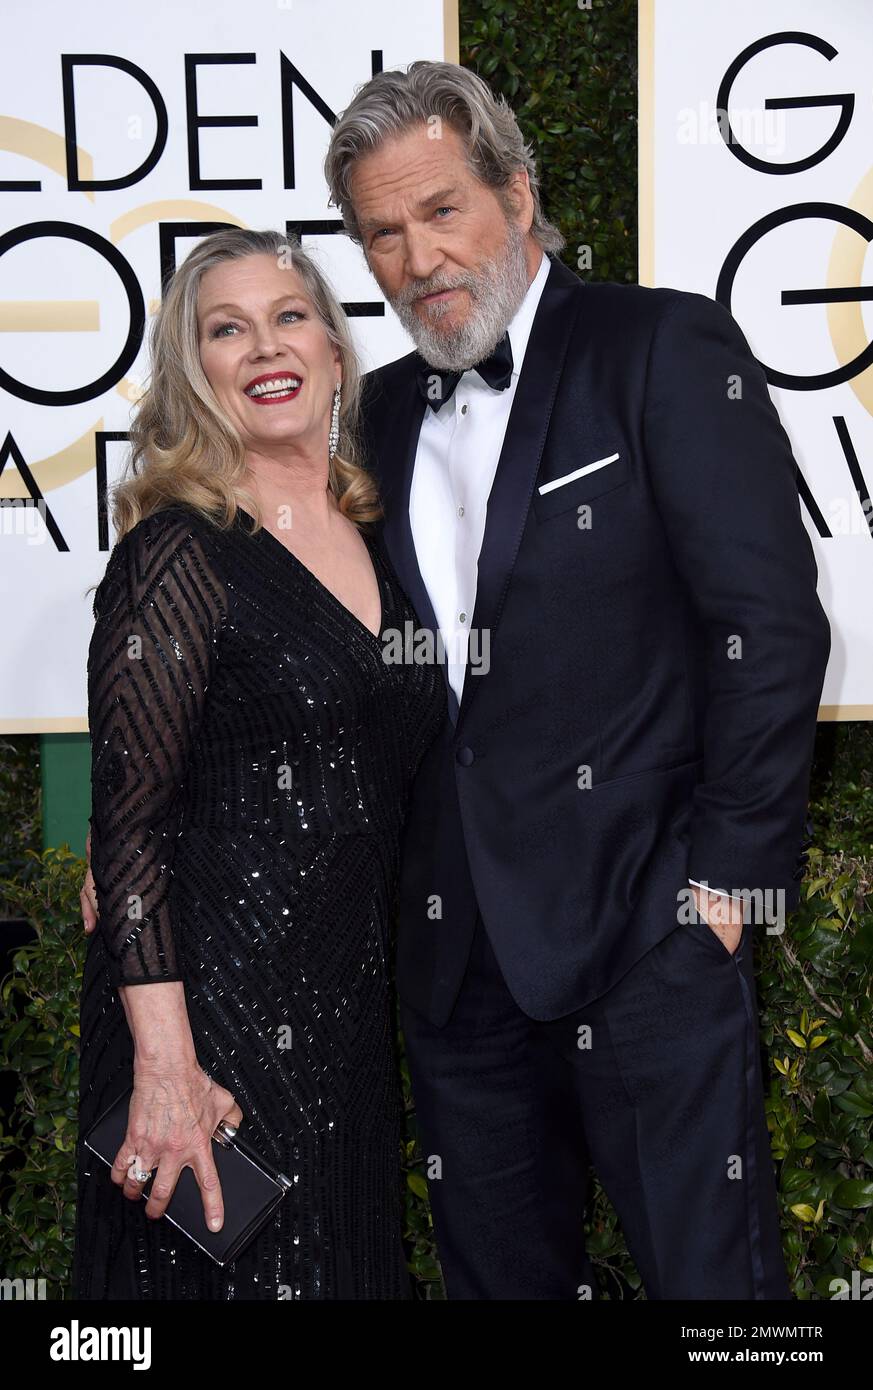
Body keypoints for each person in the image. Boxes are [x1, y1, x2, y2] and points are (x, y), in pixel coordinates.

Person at [320, 60, 830, 1298]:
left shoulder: (660, 345)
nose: (418, 257)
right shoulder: (373, 415)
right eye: (381, 234)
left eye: (442, 210)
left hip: (650, 937)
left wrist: (726, 895)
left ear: (519, 190)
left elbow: (767, 627)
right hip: (454, 967)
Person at [75, 227, 446, 1300]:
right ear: (198, 374)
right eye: (225, 330)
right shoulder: (180, 550)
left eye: (289, 316)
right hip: (206, 1029)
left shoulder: (385, 536)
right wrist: (165, 1066)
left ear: (334, 348)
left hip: (344, 1016)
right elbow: (130, 827)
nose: (264, 346)